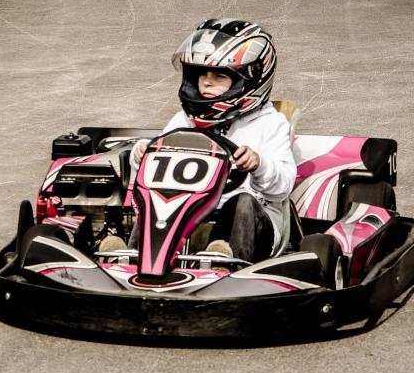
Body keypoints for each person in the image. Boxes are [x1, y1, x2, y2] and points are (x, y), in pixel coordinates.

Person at [104, 18, 296, 263]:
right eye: (201, 74)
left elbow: (282, 188)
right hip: (193, 214)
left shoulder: (271, 124)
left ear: (249, 79)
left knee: (243, 202)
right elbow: (160, 163)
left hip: (251, 224)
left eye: (219, 76)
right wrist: (140, 155)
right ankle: (133, 260)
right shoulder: (184, 120)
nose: (206, 82)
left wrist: (258, 165)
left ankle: (225, 264)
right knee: (157, 199)